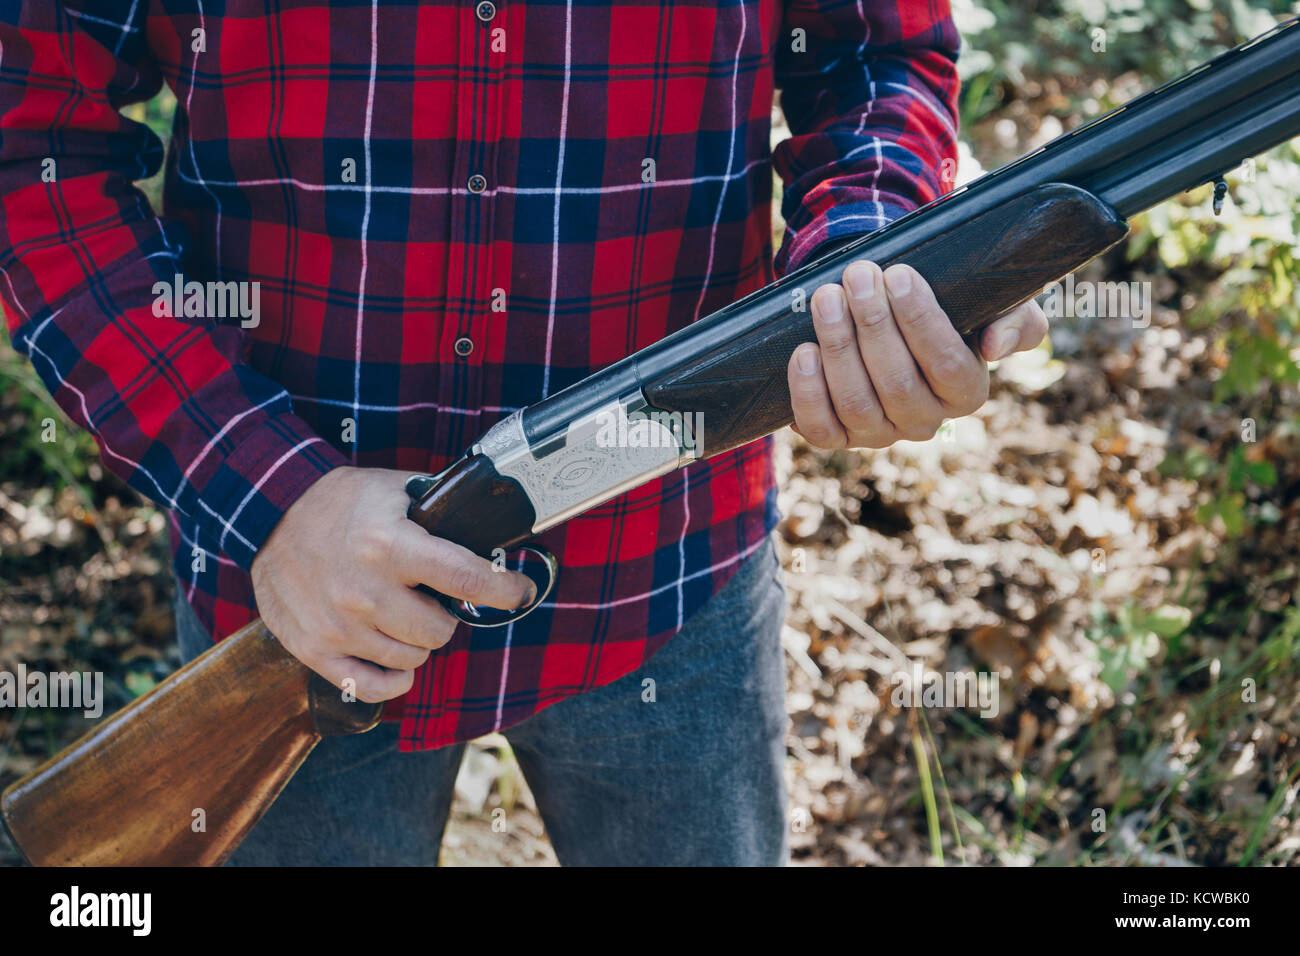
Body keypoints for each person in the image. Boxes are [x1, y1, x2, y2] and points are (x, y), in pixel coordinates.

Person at [0, 0, 1045, 865]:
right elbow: (29, 138)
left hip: (669, 573)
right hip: (296, 600)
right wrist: (264, 489)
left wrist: (867, 272)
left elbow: (871, 53)